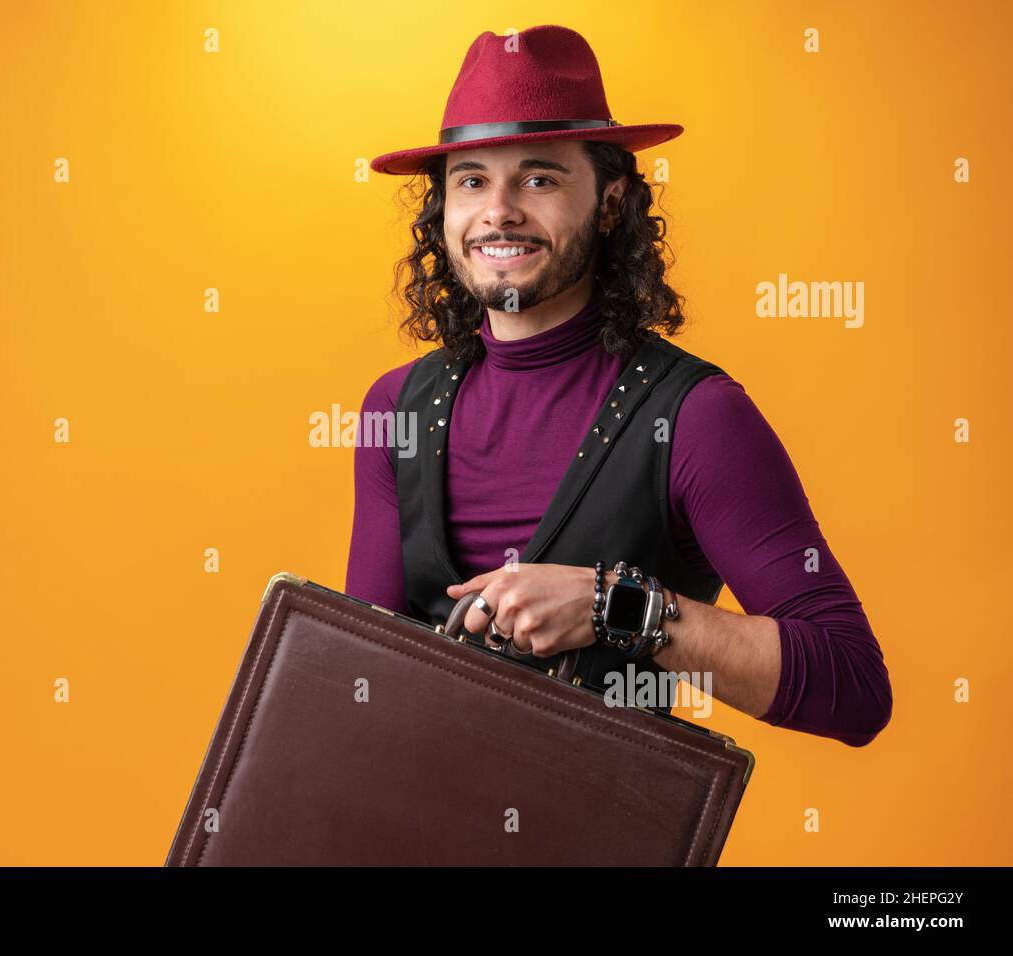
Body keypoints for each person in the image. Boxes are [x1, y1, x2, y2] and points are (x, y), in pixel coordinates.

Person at [346, 24, 891, 747]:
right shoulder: (395, 409)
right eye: (471, 180)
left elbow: (853, 688)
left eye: (539, 178)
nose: (499, 209)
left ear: (609, 202)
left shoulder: (698, 418)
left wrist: (618, 608)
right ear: (442, 210)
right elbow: (353, 679)